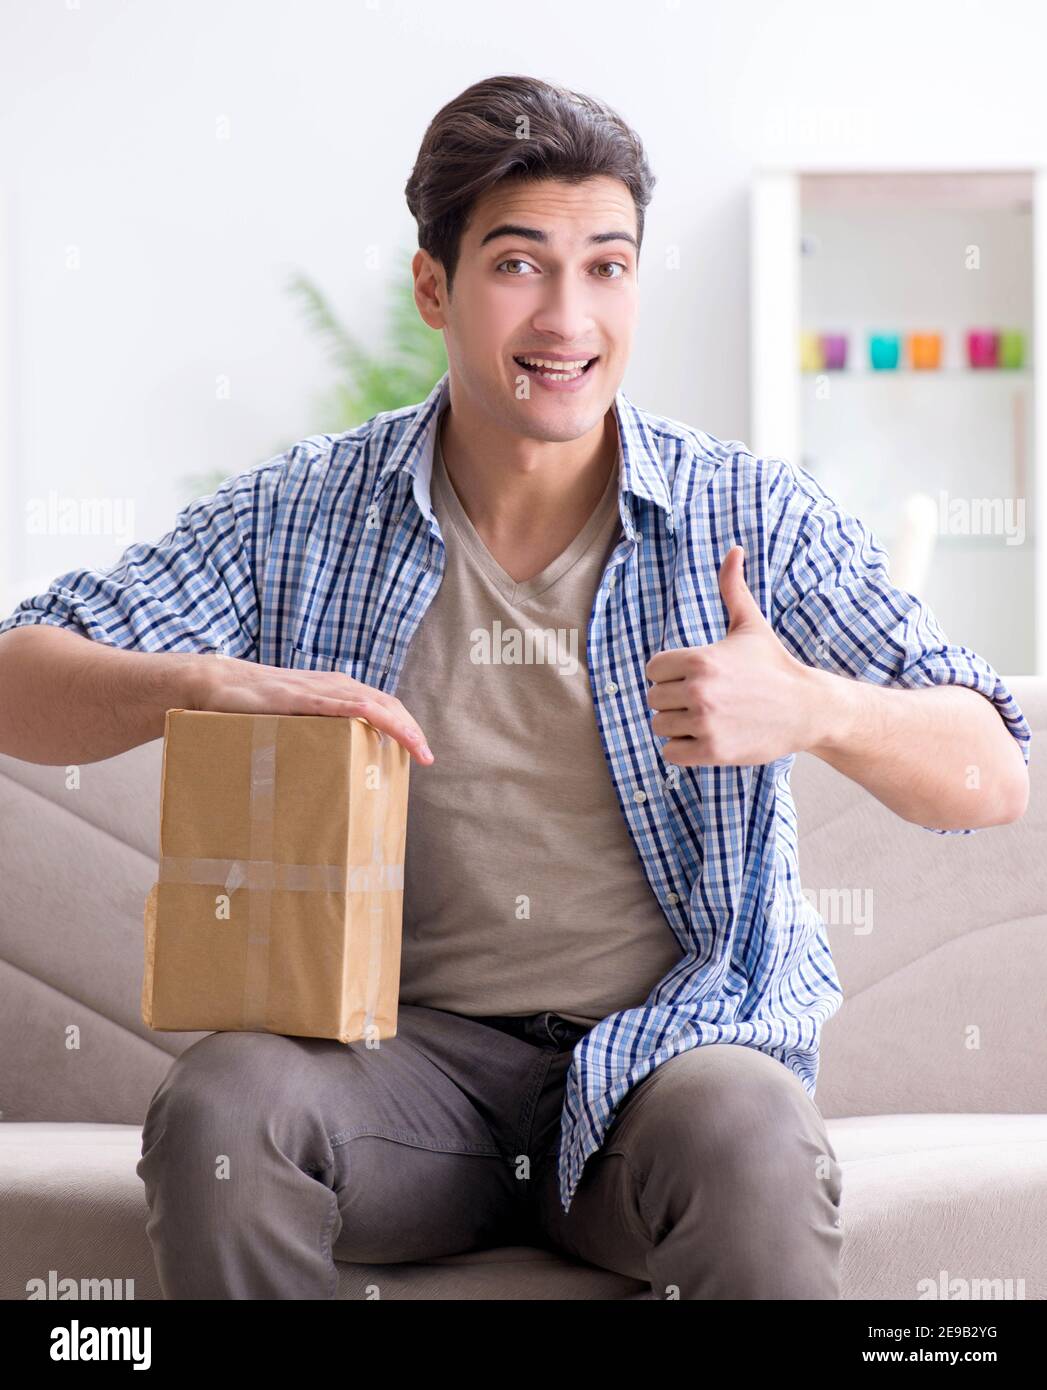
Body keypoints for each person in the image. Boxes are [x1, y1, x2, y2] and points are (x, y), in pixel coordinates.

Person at [0, 74, 1031, 1301]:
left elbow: (995, 771)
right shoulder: (305, 509)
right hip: (393, 1069)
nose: (567, 316)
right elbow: (20, 678)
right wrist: (207, 687)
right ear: (435, 286)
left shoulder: (748, 514)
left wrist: (818, 707)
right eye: (519, 264)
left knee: (751, 1131)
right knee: (225, 1113)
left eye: (607, 266)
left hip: (663, 1063)